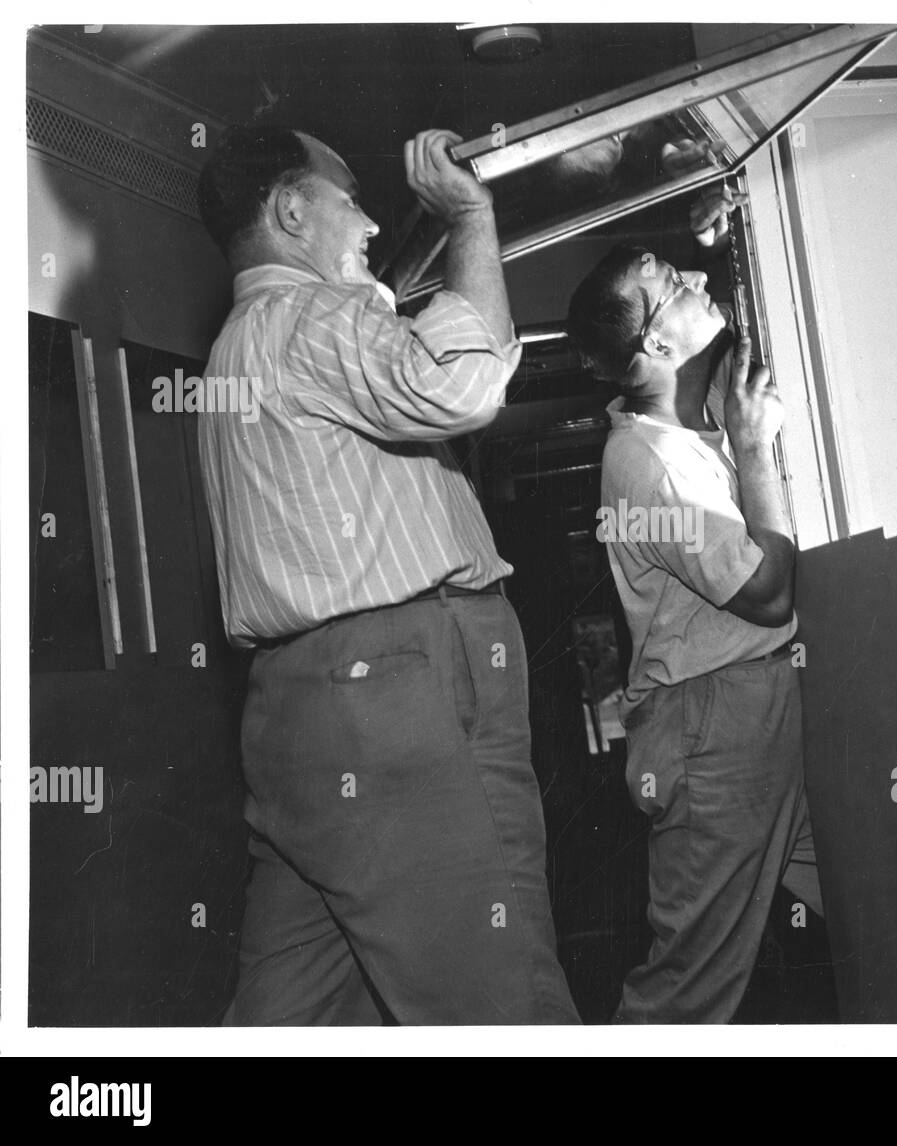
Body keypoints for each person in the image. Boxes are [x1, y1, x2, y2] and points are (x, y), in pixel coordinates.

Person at [196, 123, 579, 1025]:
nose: (369, 222)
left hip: (295, 720)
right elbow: (465, 384)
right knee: (500, 1001)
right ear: (293, 209)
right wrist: (469, 218)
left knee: (291, 1021)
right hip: (399, 696)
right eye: (350, 198)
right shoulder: (314, 319)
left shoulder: (234, 351)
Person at [564, 199, 825, 1023]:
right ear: (657, 345)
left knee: (884, 880)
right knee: (686, 994)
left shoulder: (678, 440)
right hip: (717, 730)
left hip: (745, 713)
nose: (699, 278)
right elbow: (769, 594)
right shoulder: (651, 466)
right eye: (674, 283)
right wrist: (754, 450)